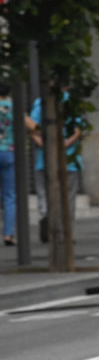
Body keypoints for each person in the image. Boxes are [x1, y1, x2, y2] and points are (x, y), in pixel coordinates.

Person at [27, 93, 84, 244]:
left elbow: (32, 128)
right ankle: (66, 232)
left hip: (44, 160)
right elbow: (78, 130)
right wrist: (63, 144)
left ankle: (48, 222)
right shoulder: (72, 102)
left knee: (43, 195)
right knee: (69, 199)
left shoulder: (41, 102)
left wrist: (46, 144)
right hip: (69, 161)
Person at [0, 84, 14, 247]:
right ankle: (8, 234)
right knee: (10, 196)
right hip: (9, 152)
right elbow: (32, 125)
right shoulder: (12, 108)